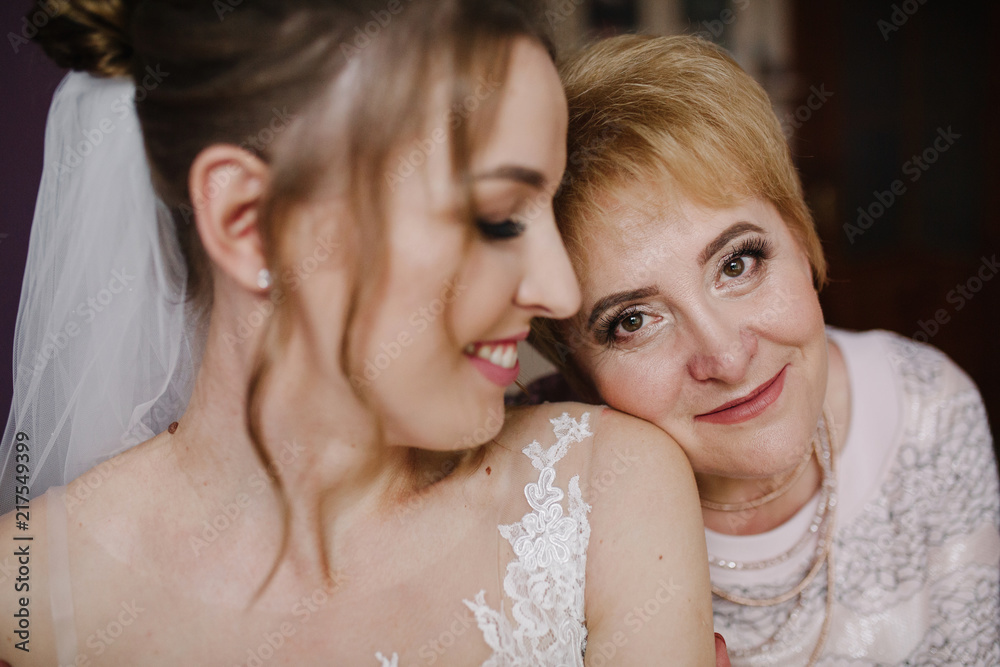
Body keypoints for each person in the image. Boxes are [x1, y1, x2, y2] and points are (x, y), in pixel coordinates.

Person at [0, 5, 718, 665]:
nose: (559, 291)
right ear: (250, 224)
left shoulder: (605, 495)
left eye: (548, 209)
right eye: (499, 215)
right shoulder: (28, 600)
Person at [529, 34, 1000, 666]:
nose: (725, 358)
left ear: (800, 237)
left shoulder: (929, 409)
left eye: (737, 262)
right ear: (572, 366)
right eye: (633, 320)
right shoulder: (536, 509)